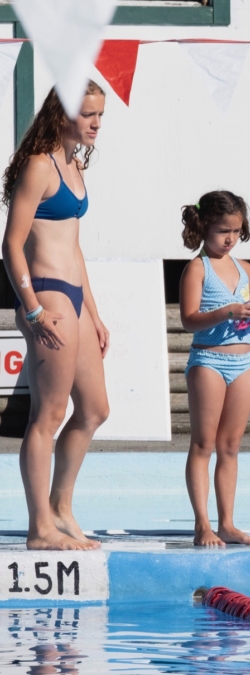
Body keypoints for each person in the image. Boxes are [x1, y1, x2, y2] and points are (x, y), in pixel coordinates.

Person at [2, 83, 109, 551]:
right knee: (48, 414)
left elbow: (74, 242)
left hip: (76, 299)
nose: (96, 124)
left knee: (94, 410)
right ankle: (39, 526)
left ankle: (61, 506)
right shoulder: (40, 166)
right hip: (47, 296)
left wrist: (97, 313)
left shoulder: (74, 162)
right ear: (61, 115)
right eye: (88, 115)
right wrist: (32, 308)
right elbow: (11, 244)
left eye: (100, 116)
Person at [178, 191, 250, 547]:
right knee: (203, 443)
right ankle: (202, 524)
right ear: (204, 228)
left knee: (230, 445)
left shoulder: (244, 269)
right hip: (209, 361)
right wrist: (226, 312)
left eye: (235, 230)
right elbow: (189, 320)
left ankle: (227, 523)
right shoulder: (196, 268)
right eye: (222, 231)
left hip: (243, 361)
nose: (230, 238)